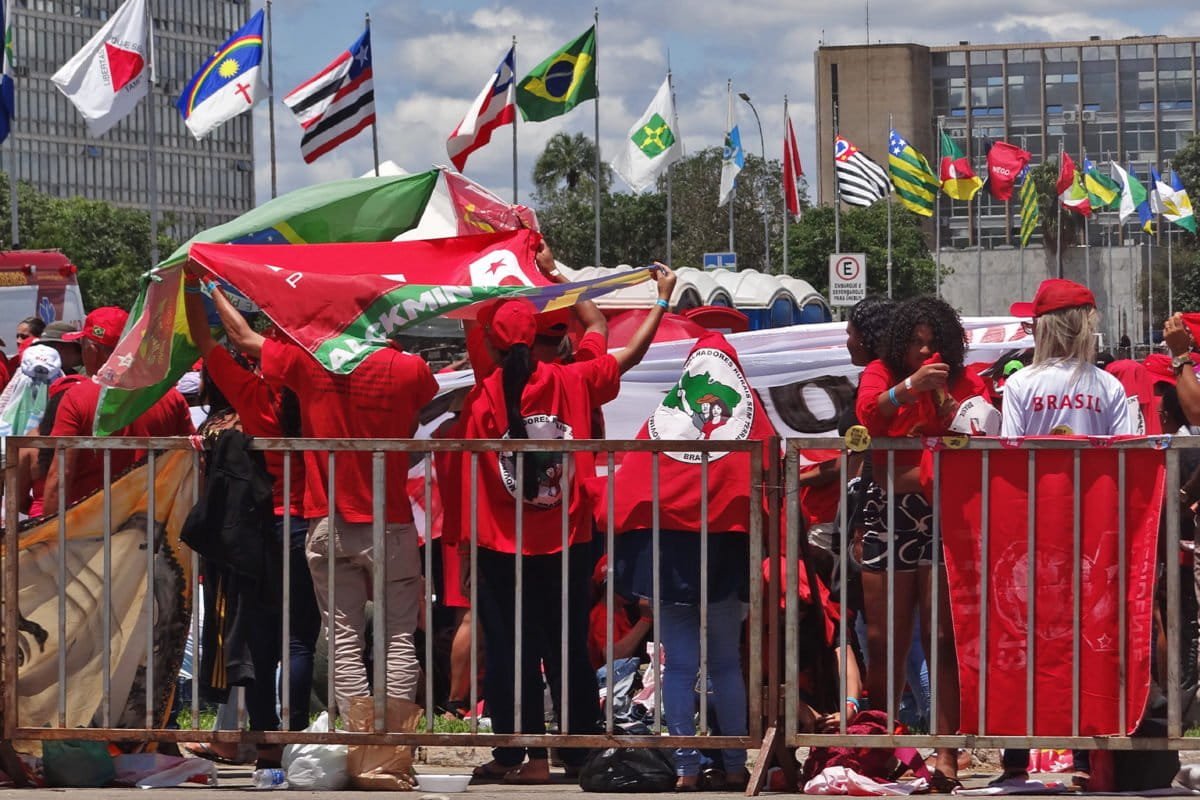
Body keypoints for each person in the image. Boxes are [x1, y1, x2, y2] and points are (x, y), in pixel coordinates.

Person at [197, 266, 438, 790]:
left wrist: (210, 284)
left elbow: (240, 338)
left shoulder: (311, 366)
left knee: (344, 638)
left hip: (328, 521)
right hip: (391, 522)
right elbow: (419, 407)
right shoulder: (410, 367)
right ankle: (390, 758)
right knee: (399, 638)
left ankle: (358, 754)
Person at [465, 264, 674, 785]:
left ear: (491, 344)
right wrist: (658, 300)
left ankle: (521, 758)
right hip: (567, 539)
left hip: (500, 543)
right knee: (566, 646)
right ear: (543, 337)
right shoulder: (574, 379)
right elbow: (614, 341)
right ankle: (577, 751)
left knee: (511, 650)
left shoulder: (483, 391)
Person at [995, 279, 1132, 785]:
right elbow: (1125, 456)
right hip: (1092, 532)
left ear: (1042, 328)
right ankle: (1082, 757)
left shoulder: (1020, 385)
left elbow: (1008, 454)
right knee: (1086, 644)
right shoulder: (1109, 386)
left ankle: (1014, 757)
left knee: (1023, 643)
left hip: (1030, 532)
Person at [855, 295, 982, 792]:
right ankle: (882, 748)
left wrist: (949, 400)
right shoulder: (880, 373)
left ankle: (946, 754)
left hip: (942, 514)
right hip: (887, 510)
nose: (924, 351)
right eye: (914, 343)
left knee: (942, 638)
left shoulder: (963, 380)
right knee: (885, 638)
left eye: (933, 343)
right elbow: (868, 415)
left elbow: (981, 426)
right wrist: (908, 389)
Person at [183, 286, 317, 758]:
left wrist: (200, 287)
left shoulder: (252, 394)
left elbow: (209, 342)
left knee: (261, 641)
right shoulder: (319, 384)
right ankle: (295, 737)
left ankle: (266, 744)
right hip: (310, 525)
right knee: (300, 638)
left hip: (262, 531)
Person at [44, 307, 194, 507]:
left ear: (91, 350)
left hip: (91, 522)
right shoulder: (169, 396)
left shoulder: (76, 397)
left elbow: (60, 474)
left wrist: (49, 533)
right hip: (153, 520)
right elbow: (191, 459)